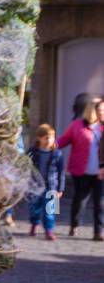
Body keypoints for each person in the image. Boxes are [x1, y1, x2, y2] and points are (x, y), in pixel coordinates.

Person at [57, 92, 104, 240]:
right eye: (100, 110)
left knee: (101, 203)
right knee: (80, 200)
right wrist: (50, 144)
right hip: (81, 170)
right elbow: (64, 140)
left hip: (101, 172)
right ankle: (75, 225)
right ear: (92, 110)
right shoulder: (77, 125)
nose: (102, 112)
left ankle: (98, 231)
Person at [27, 124, 65, 240]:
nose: (49, 140)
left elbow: (61, 172)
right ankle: (34, 223)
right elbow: (25, 166)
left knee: (50, 210)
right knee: (34, 208)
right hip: (35, 186)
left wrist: (61, 189)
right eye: (46, 138)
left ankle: (49, 230)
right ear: (39, 138)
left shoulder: (57, 154)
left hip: (52, 186)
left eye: (51, 137)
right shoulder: (32, 152)